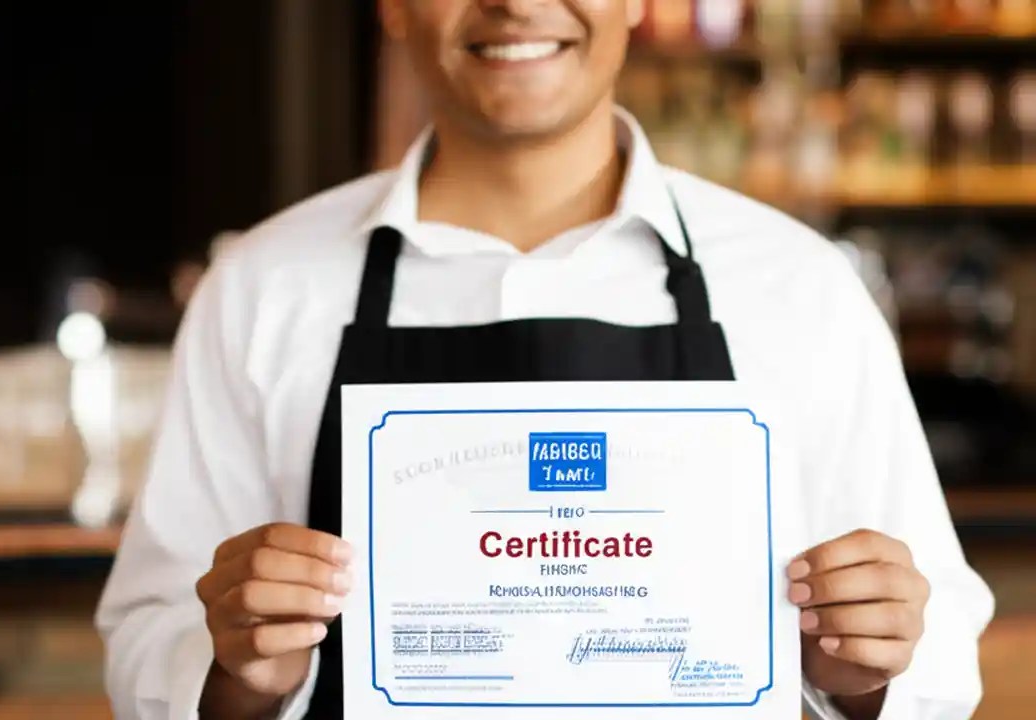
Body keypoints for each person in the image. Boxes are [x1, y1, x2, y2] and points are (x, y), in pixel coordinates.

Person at [95, 1, 995, 718]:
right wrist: (238, 670)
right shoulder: (261, 286)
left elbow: (940, 643)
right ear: (391, 8)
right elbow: (150, 634)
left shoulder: (799, 286)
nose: (516, 5)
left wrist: (862, 667)